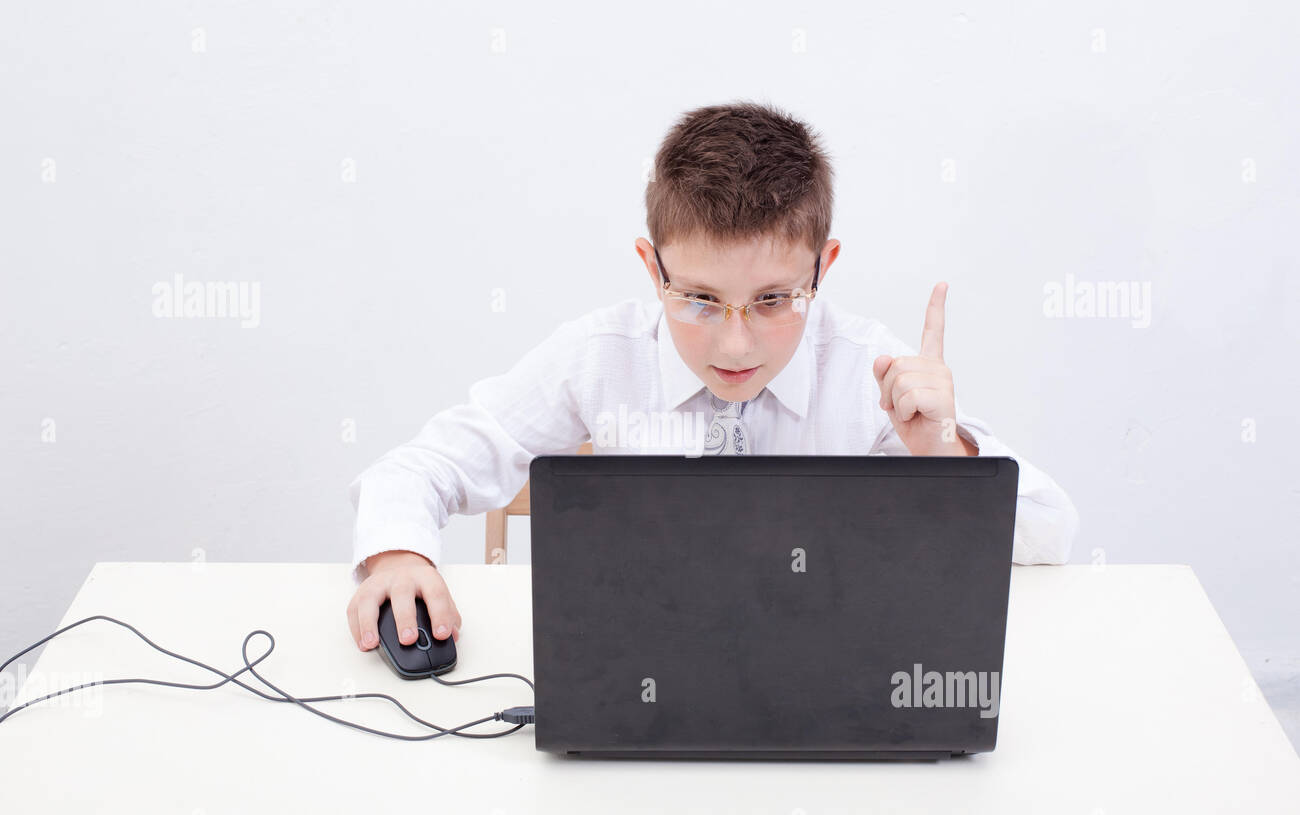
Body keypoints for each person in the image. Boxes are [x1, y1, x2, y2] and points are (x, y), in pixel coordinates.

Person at [345, 100, 1079, 654]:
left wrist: (948, 455)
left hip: (818, 676)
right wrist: (399, 551)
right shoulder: (599, 356)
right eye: (699, 299)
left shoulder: (868, 369)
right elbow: (421, 466)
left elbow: (1052, 535)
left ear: (821, 269)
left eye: (771, 300)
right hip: (640, 676)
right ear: (649, 266)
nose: (734, 342)